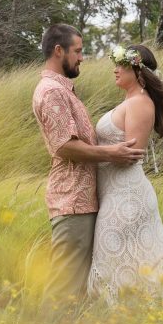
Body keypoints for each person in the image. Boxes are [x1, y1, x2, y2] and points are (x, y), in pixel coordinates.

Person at [30, 23, 142, 301]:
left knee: (76, 289)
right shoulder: (52, 92)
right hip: (72, 200)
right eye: (78, 51)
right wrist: (111, 153)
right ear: (59, 51)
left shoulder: (63, 90)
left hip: (80, 199)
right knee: (64, 287)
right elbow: (65, 146)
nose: (82, 57)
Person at [87, 43, 163, 305]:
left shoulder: (140, 103)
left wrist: (93, 152)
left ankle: (147, 315)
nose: (115, 70)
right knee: (121, 261)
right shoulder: (129, 101)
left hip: (126, 197)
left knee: (116, 258)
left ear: (138, 71)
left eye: (121, 65)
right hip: (115, 193)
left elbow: (130, 155)